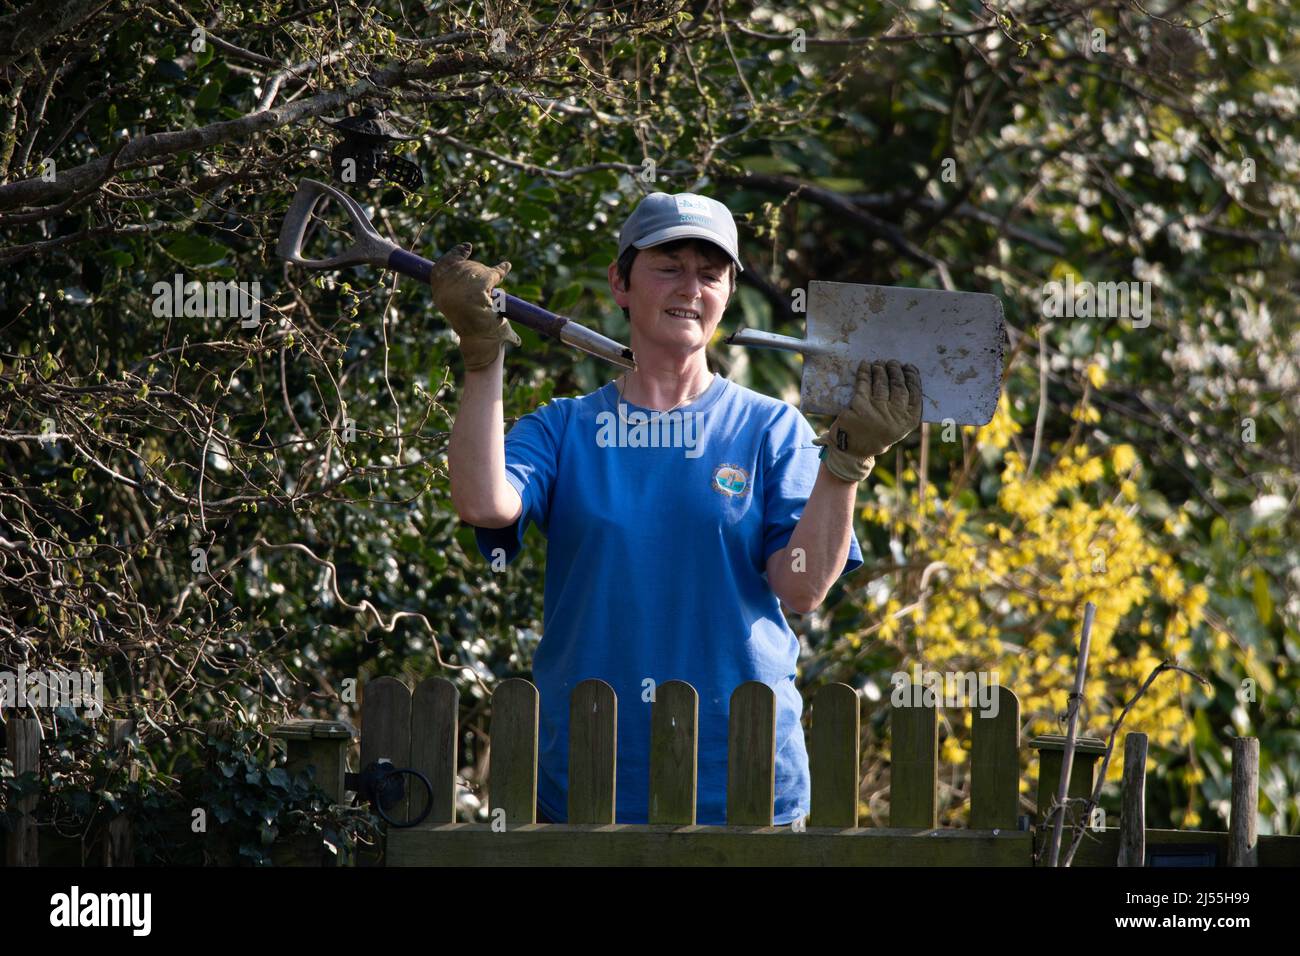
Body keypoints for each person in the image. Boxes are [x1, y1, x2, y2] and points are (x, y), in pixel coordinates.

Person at [436, 190, 922, 825]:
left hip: (744, 786)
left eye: (710, 272)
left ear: (726, 294)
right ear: (620, 282)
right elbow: (482, 502)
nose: (690, 286)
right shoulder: (566, 429)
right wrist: (482, 357)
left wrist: (846, 463)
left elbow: (801, 587)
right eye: (668, 266)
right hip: (590, 781)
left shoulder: (772, 428)